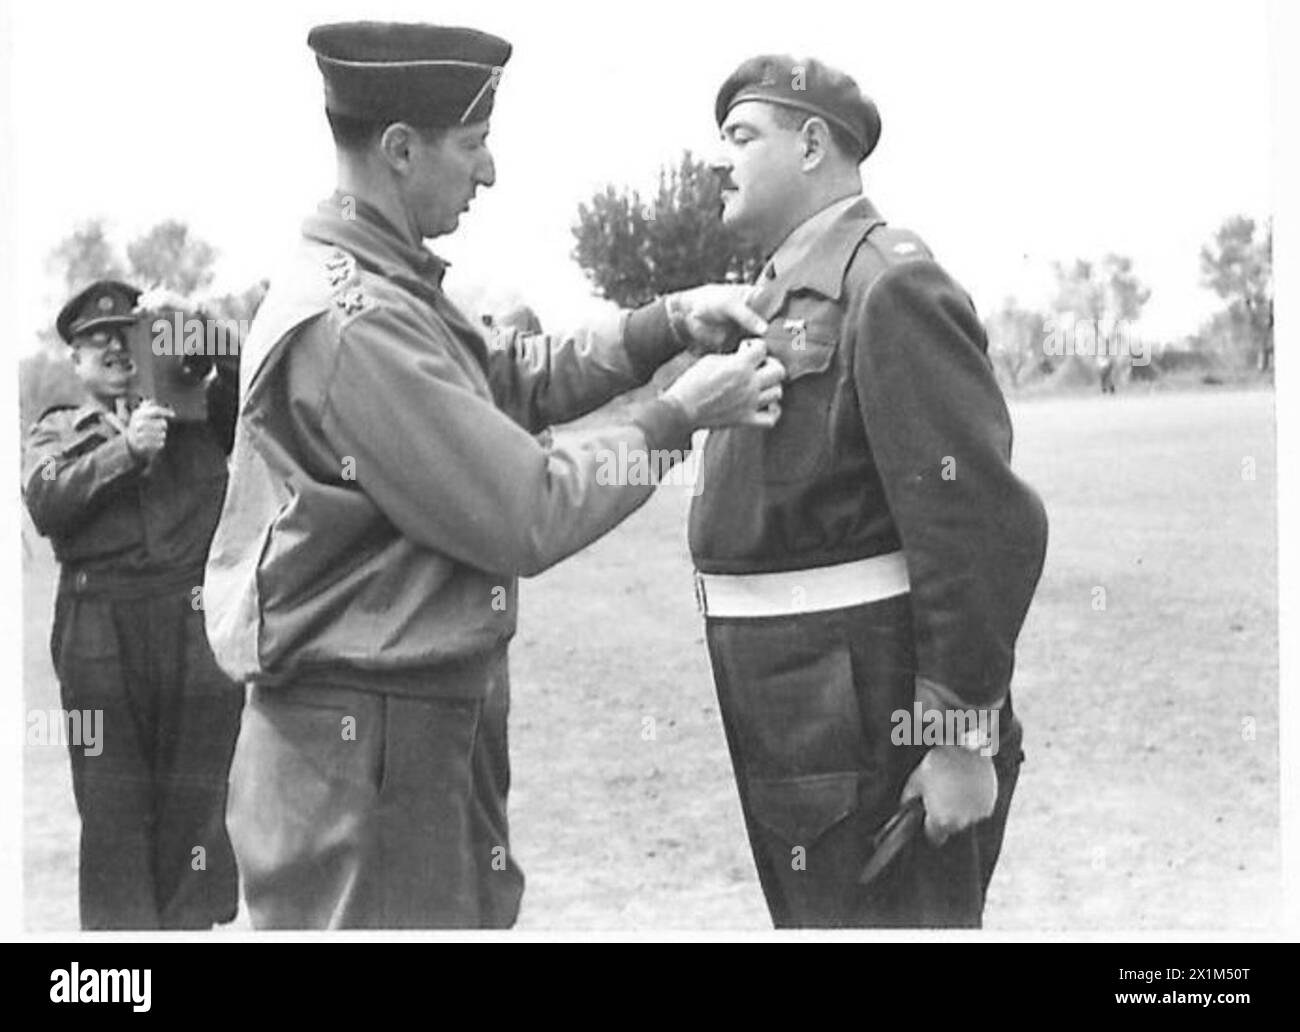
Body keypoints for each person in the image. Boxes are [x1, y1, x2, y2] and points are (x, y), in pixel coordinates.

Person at [203, 21, 784, 929]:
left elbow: (509, 379)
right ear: (400, 150)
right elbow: (527, 507)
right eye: (472, 146)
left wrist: (666, 322)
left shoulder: (386, 288)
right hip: (366, 752)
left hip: (404, 733)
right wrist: (681, 415)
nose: (489, 172)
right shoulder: (353, 323)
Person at [688, 55, 1049, 927]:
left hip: (867, 719)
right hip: (800, 713)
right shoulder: (779, 294)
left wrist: (961, 736)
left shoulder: (887, 285)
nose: (718, 162)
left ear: (813, 144)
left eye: (742, 137)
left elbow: (977, 524)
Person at [22, 279, 243, 929]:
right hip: (100, 632)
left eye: (127, 335)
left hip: (193, 623)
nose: (114, 349)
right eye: (96, 340)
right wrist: (125, 451)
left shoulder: (199, 414)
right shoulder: (58, 428)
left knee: (197, 800)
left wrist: (192, 324)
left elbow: (256, 372)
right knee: (113, 808)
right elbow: (46, 500)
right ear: (75, 359)